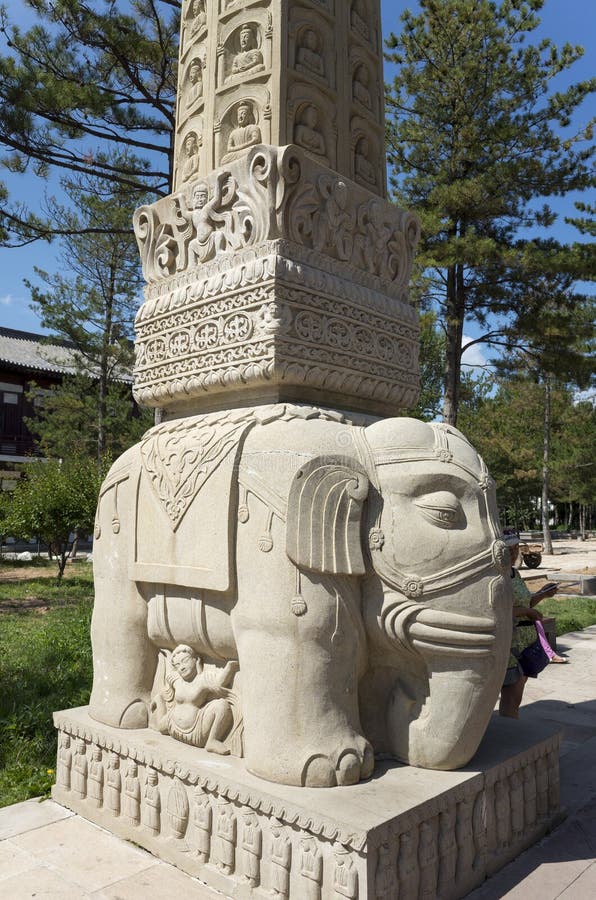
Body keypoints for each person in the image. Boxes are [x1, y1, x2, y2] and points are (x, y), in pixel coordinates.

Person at [500, 534, 565, 719]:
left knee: (517, 695)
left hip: (526, 643)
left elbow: (526, 603)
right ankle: (510, 733)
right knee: (511, 697)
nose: (513, 554)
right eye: (508, 550)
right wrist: (525, 612)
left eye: (516, 549)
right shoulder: (497, 578)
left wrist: (543, 594)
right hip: (511, 644)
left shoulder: (515, 573)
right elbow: (497, 611)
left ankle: (511, 728)